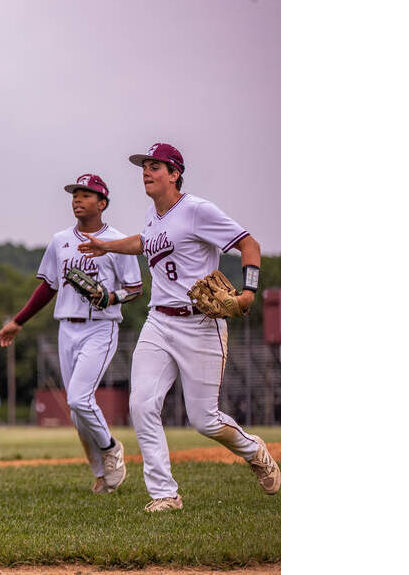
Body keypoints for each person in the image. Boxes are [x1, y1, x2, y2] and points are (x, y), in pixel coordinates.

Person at [77, 142, 280, 513]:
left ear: (175, 174)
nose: (147, 172)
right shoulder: (155, 216)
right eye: (144, 166)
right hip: (158, 322)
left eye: (156, 166)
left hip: (201, 324)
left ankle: (255, 451)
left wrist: (249, 289)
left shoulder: (197, 210)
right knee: (141, 404)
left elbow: (249, 244)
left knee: (204, 421)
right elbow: (144, 241)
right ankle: (164, 494)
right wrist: (108, 246)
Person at [0, 174, 142, 494]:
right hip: (67, 328)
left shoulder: (117, 241)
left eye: (87, 195)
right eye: (75, 194)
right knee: (76, 412)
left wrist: (113, 297)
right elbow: (48, 286)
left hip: (101, 327)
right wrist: (19, 321)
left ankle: (111, 448)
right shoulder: (60, 240)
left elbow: (134, 289)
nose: (77, 199)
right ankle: (101, 474)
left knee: (78, 398)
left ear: (102, 204)